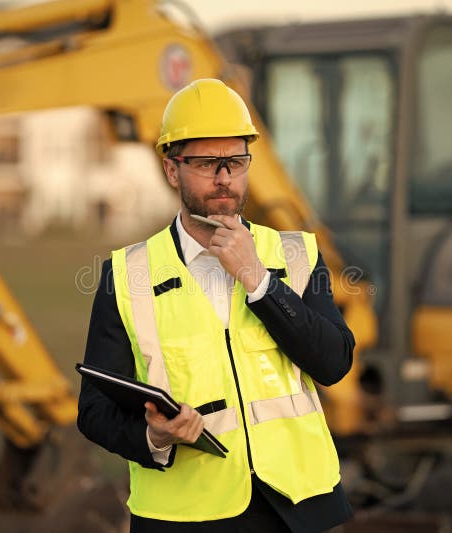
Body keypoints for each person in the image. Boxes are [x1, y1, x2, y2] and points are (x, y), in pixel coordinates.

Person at [78, 78, 355, 532]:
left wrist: (259, 281)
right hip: (185, 515)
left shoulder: (296, 254)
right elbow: (94, 411)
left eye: (235, 161)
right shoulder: (125, 275)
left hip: (297, 509)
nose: (224, 177)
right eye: (208, 163)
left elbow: (333, 363)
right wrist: (153, 436)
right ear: (172, 170)